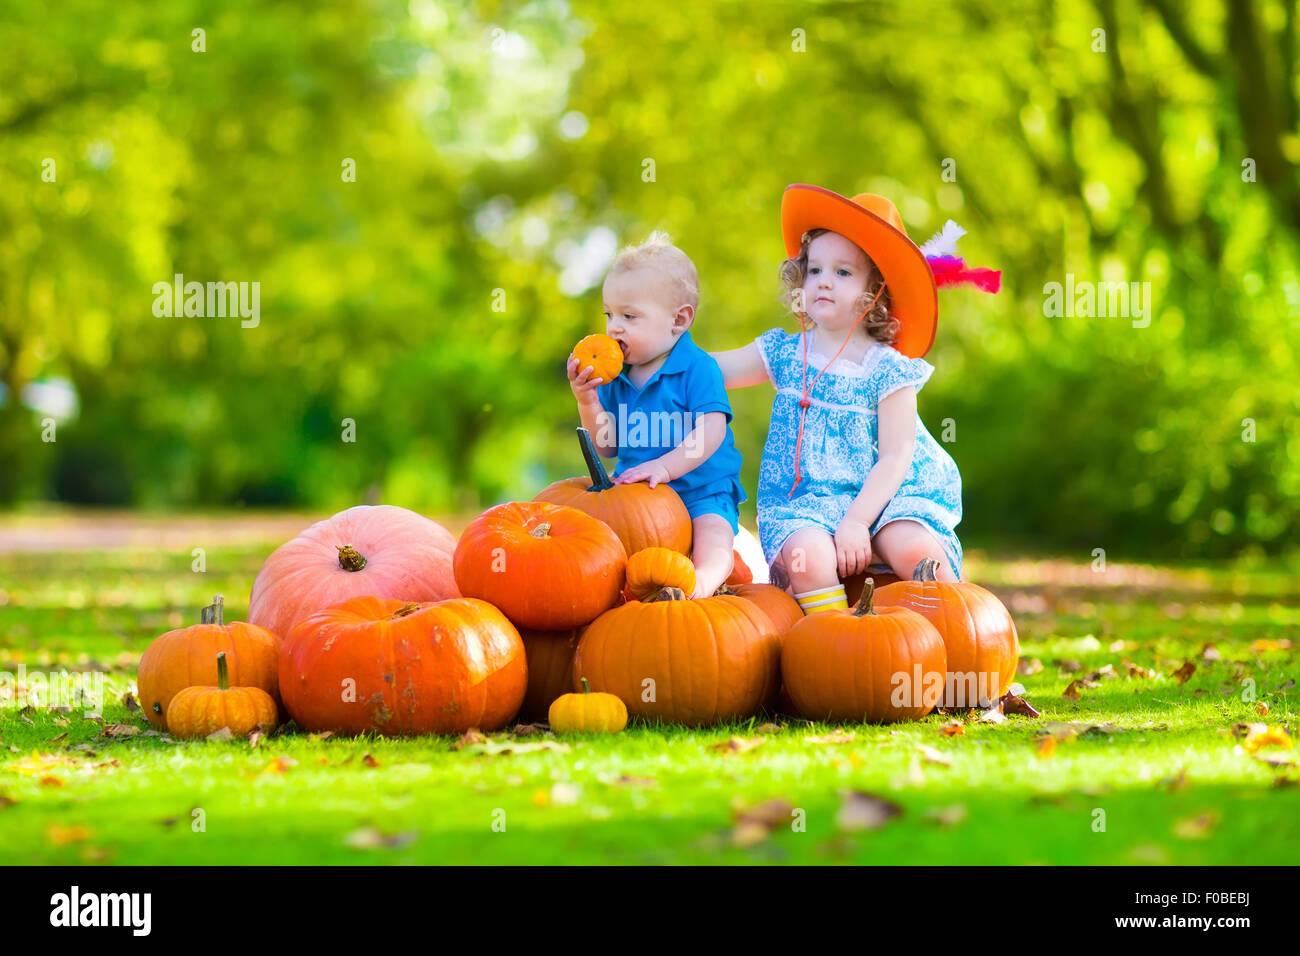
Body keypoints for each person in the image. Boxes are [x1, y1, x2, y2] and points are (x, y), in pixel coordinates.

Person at [710, 185, 1000, 614]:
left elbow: (896, 456)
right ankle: (831, 650)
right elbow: (713, 371)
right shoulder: (785, 354)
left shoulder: (887, 369)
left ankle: (955, 642)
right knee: (809, 561)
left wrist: (857, 522)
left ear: (874, 292)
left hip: (888, 496)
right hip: (806, 502)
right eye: (814, 270)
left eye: (843, 272)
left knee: (917, 551)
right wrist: (653, 352)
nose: (824, 280)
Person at [567, 231, 746, 599]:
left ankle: (700, 585)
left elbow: (710, 430)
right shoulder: (613, 378)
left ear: (678, 321)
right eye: (610, 314)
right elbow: (608, 447)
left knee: (713, 538)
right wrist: (587, 401)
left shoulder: (698, 368)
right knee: (606, 547)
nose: (614, 327)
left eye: (629, 316)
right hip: (639, 502)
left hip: (700, 491)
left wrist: (665, 467)